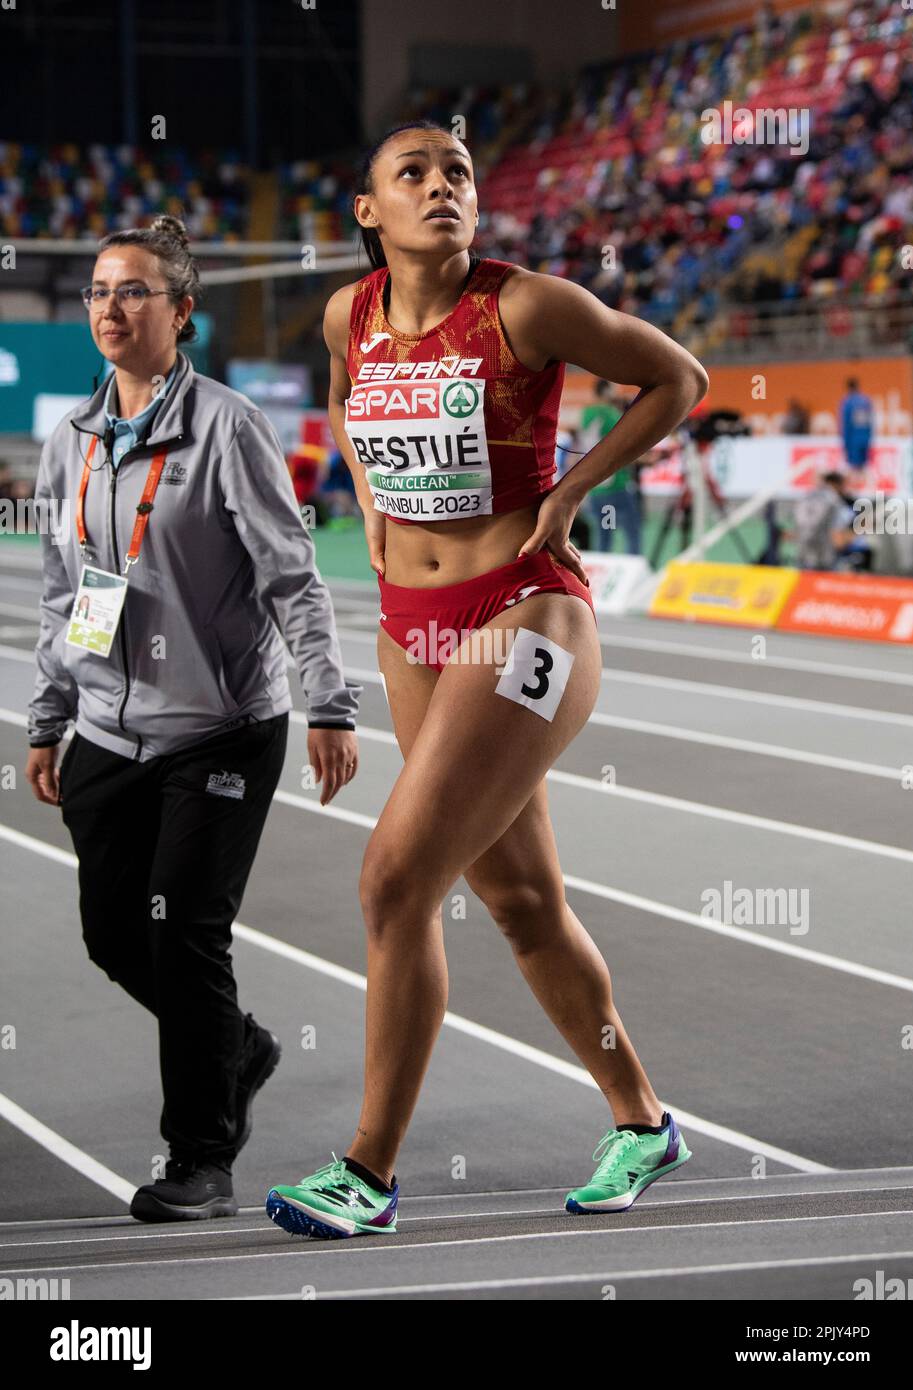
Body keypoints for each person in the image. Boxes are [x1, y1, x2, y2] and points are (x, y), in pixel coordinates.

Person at [265, 122, 708, 1239]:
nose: (439, 188)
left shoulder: (527, 306)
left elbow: (677, 378)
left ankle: (367, 1173)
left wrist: (569, 493)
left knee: (392, 879)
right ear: (368, 211)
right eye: (410, 175)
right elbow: (340, 406)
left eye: (455, 173)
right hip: (410, 627)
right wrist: (364, 495)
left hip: (522, 612)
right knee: (517, 901)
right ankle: (642, 1121)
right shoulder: (345, 316)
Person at [25, 214, 362, 1223]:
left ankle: (201, 1156)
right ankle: (238, 1049)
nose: (110, 308)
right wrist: (48, 716)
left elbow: (291, 576)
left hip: (218, 727)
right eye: (97, 291)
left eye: (134, 291)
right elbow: (63, 587)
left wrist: (327, 701)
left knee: (182, 930)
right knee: (109, 931)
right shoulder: (71, 440)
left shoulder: (225, 426)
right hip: (107, 728)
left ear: (181, 310)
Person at [579, 381, 643, 555]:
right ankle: (635, 570)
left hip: (595, 486)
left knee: (605, 533)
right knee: (632, 531)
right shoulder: (610, 414)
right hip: (615, 485)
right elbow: (625, 446)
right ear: (607, 391)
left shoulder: (586, 414)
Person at [839, 378, 874, 471]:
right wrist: (869, 438)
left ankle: (855, 485)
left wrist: (845, 444)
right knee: (865, 467)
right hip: (866, 439)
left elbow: (845, 425)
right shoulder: (866, 401)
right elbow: (871, 423)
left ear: (849, 388)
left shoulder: (848, 402)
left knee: (853, 468)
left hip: (853, 440)